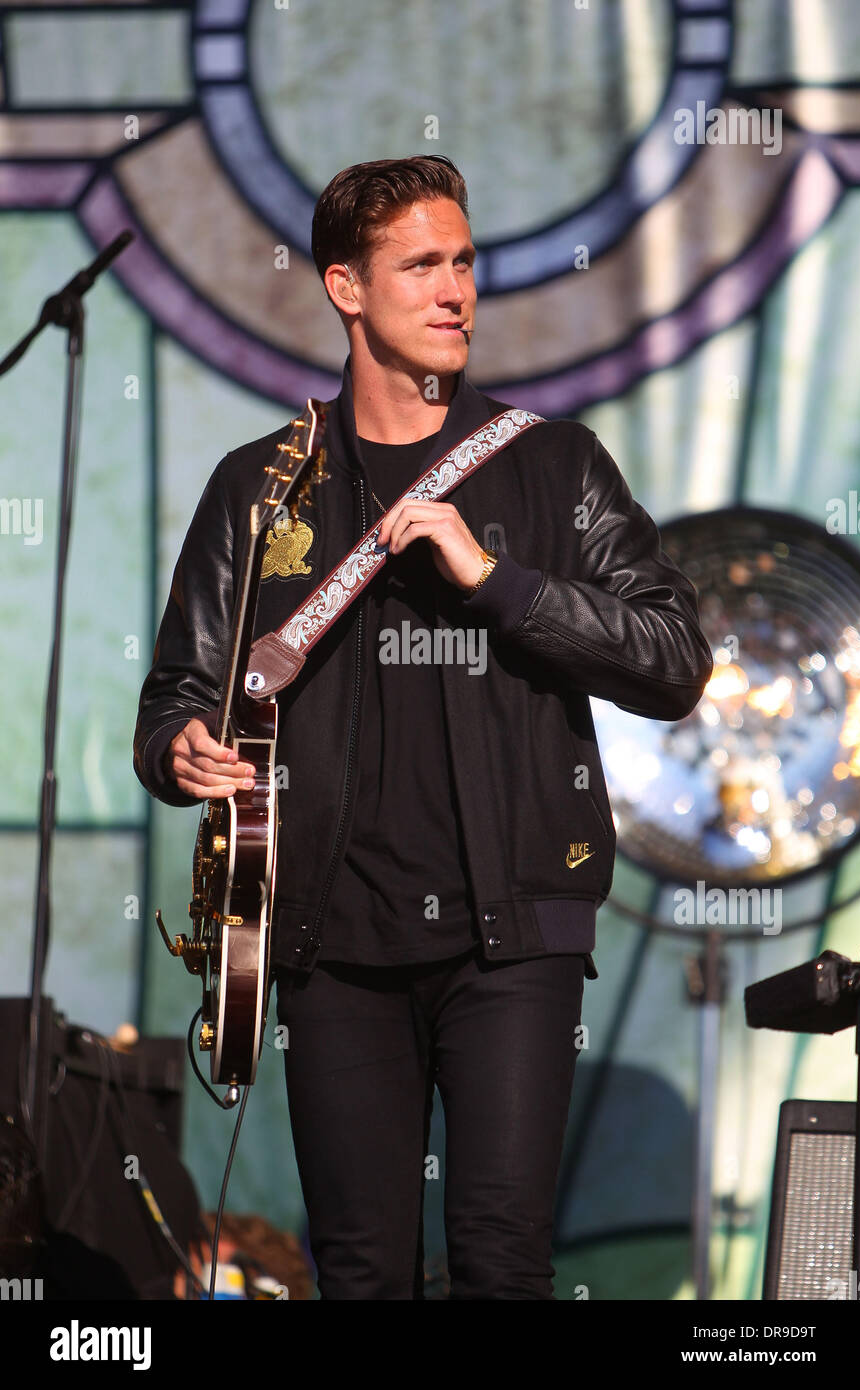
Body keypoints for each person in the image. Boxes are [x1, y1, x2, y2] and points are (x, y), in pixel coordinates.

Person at [134, 154, 714, 1300]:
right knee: (358, 1271)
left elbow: (673, 659)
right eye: (420, 266)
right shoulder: (259, 490)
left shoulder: (554, 464)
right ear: (346, 289)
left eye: (462, 263)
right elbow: (175, 698)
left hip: (511, 933)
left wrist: (493, 578)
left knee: (500, 1263)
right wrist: (180, 752)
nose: (454, 291)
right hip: (328, 941)